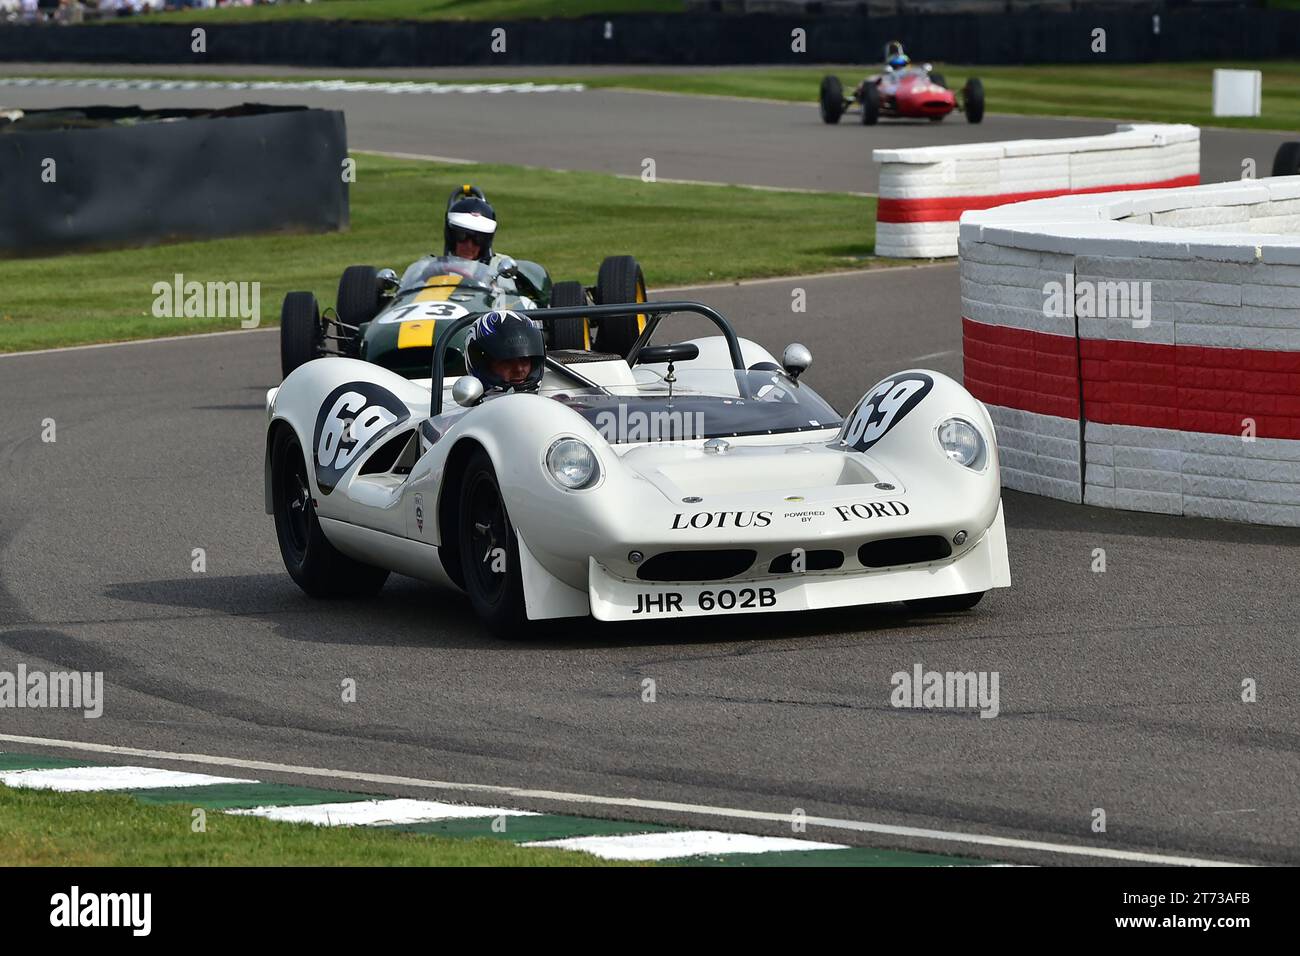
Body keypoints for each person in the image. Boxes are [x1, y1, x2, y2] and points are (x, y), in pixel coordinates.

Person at [465, 310, 545, 394]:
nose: (519, 369)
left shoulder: (550, 396)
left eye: (524, 359)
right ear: (483, 365)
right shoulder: (465, 401)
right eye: (507, 362)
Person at [443, 185, 498, 264]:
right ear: (451, 237)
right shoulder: (434, 269)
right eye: (462, 236)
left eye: (478, 239)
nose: (469, 246)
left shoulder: (498, 270)